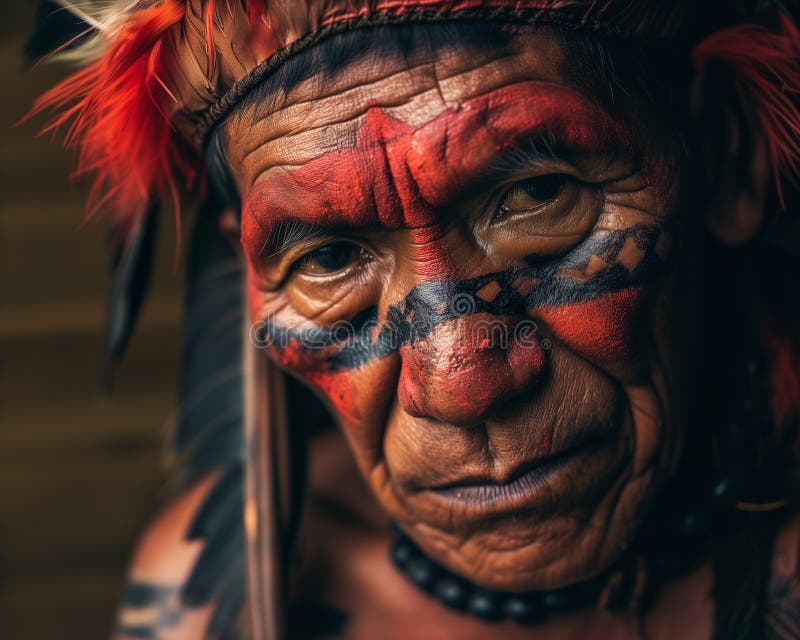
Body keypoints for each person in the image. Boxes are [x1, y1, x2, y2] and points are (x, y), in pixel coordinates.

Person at [26, 1, 800, 638]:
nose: (463, 383)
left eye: (536, 197)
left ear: (722, 156)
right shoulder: (208, 601)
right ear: (251, 278)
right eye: (329, 258)